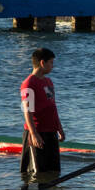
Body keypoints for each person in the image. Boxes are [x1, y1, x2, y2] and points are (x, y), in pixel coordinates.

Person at [21, 47, 65, 182]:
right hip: (37, 133)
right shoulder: (28, 83)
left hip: (51, 131)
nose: (52, 66)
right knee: (37, 173)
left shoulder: (48, 82)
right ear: (42, 63)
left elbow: (53, 106)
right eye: (51, 62)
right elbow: (27, 111)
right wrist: (33, 134)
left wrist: (60, 128)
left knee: (53, 171)